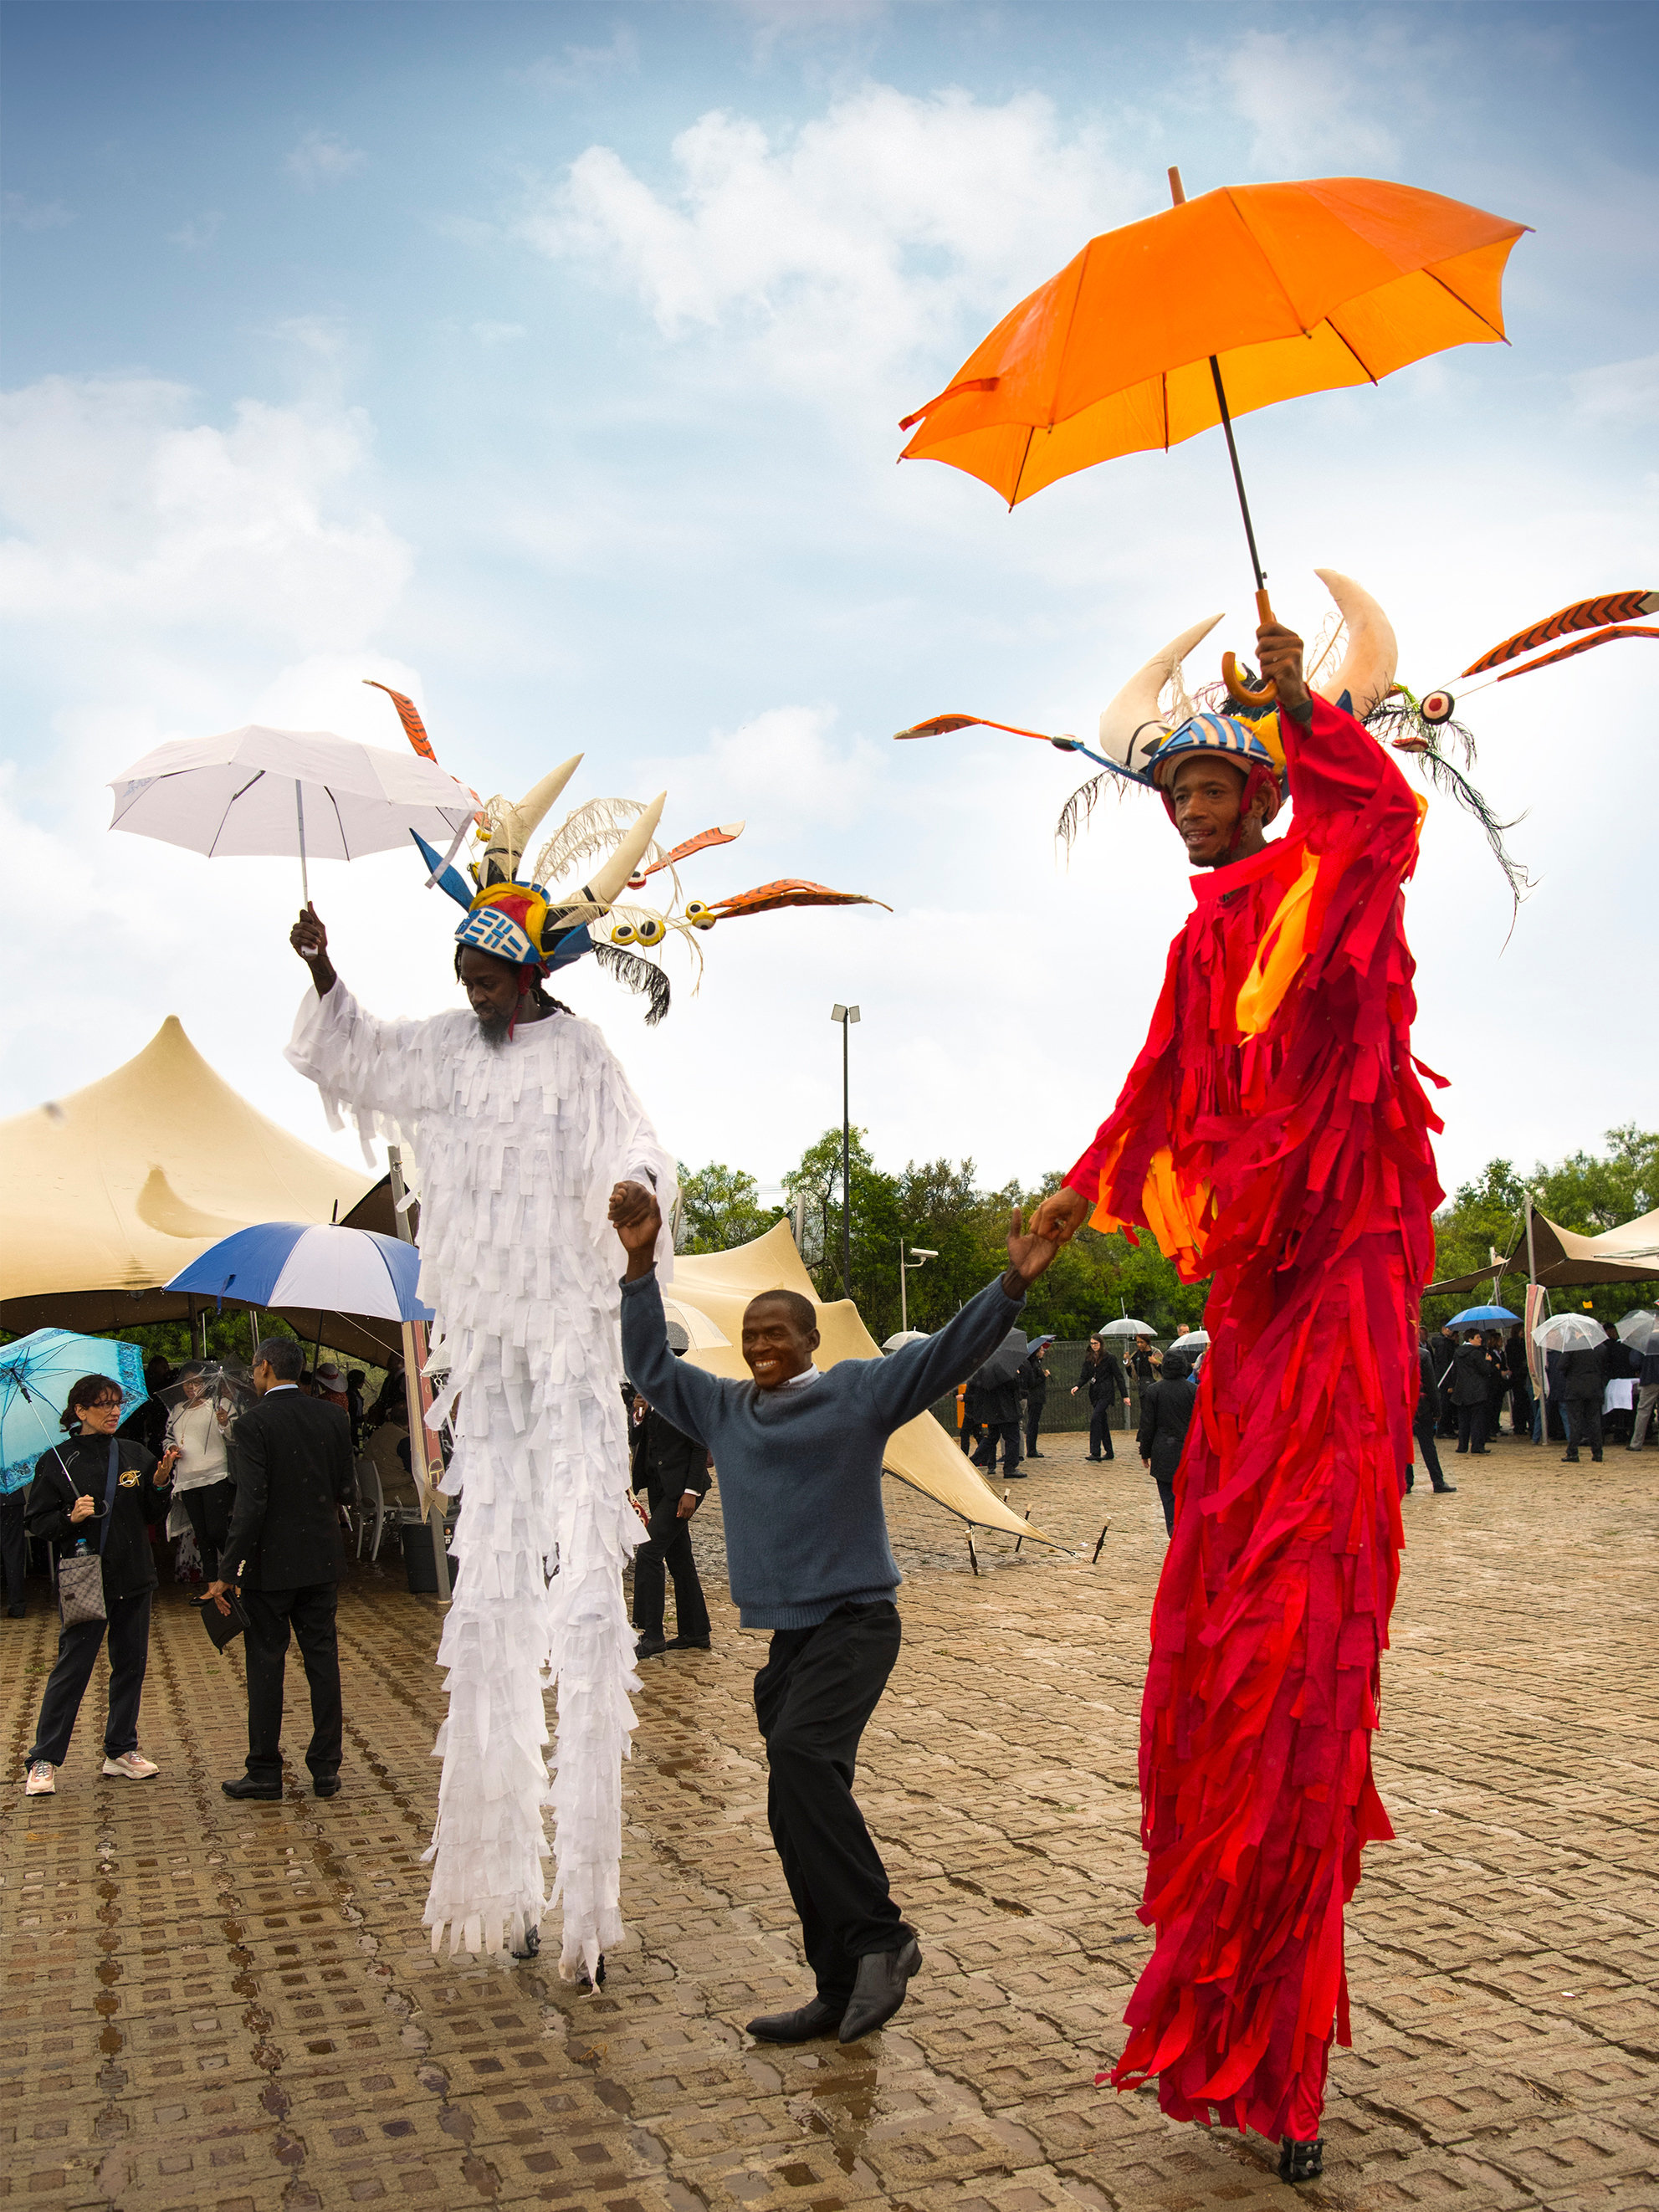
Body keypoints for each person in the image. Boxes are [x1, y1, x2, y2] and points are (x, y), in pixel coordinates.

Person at [1029, 611, 1444, 2180]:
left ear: (1268, 792)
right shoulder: (1200, 936)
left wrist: (1300, 706)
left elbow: (1385, 823)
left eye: (1217, 782)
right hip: (1249, 1303)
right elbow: (1154, 1089)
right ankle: (1235, 2010)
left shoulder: (1326, 873)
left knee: (1299, 1647)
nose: (1193, 806)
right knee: (1219, 1642)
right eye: (1176, 788)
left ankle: (1285, 2042)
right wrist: (1076, 1194)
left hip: (1337, 1271)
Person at [282, 778, 677, 1976]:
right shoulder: (447, 1047)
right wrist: (320, 972)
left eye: (488, 977)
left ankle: (588, 1911)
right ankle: (495, 1891)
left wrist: (636, 1202)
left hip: (563, 1339)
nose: (470, 992)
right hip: (482, 1351)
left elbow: (639, 1143)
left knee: (590, 1592)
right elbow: (359, 1058)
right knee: (491, 1599)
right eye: (462, 971)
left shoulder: (583, 1054)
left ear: (535, 977)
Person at [616, 1190, 1061, 2046]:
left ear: (812, 1339)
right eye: (750, 1339)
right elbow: (646, 1360)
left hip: (858, 1623)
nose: (761, 1348)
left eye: (776, 1334)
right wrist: (640, 1268)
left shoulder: (858, 1393)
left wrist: (1012, 1281)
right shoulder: (723, 1406)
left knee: (800, 1757)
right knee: (796, 1806)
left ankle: (884, 1939)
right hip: (790, 1639)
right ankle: (835, 1983)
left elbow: (944, 1355)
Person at [205, 1335, 356, 1800]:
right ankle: (326, 1767)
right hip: (321, 1558)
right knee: (323, 1660)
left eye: (253, 1368)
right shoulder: (334, 1416)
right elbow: (346, 1489)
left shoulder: (254, 1424)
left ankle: (265, 1770)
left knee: (267, 1665)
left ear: (266, 1368)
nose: (252, 1375)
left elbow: (251, 1502)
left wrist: (229, 1571)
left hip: (270, 1567)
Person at [23, 1374, 176, 1795]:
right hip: (85, 1578)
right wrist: (69, 1518)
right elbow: (38, 1522)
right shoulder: (58, 1460)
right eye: (105, 1404)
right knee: (72, 1668)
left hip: (134, 1575)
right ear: (80, 1411)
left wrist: (160, 1480)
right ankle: (42, 1759)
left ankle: (121, 1750)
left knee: (130, 1665)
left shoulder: (133, 1452)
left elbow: (150, 1512)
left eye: (118, 1404)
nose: (114, 1412)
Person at [630, 1318, 713, 1659]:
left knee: (649, 1552)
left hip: (683, 1490)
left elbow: (698, 1444)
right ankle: (695, 1632)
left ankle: (652, 1634)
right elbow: (640, 1440)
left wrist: (691, 1492)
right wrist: (638, 1416)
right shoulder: (649, 1388)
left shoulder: (686, 1389)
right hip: (659, 1486)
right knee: (680, 1558)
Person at [164, 1362, 236, 1591]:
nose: (191, 1387)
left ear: (207, 1383)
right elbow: (166, 1438)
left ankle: (238, 1575)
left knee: (217, 1529)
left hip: (216, 1474)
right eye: (187, 1382)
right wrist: (172, 1448)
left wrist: (225, 1422)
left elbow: (236, 1436)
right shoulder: (177, 1410)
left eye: (197, 1382)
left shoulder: (221, 1405)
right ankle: (212, 1584)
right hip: (187, 1479)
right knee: (202, 1534)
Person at [1136, 1350, 1196, 1537]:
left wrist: (1144, 1452)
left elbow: (1148, 1425)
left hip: (1163, 1453)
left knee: (1169, 1500)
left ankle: (1175, 1535)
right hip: (1189, 1453)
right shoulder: (1193, 1390)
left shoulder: (1154, 1390)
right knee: (1187, 1499)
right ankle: (1188, 1535)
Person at [1407, 1333, 1456, 1495]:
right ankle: (1437, 1480)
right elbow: (1431, 1386)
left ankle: (1406, 1482)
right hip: (1422, 1407)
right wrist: (1437, 1410)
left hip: (1403, 1407)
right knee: (1428, 1445)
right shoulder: (1423, 1355)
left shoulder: (1393, 1356)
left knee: (1405, 1446)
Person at [970, 1342, 1025, 1479]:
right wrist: (1017, 1373)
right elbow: (1013, 1384)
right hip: (1006, 1410)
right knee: (1012, 1438)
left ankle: (973, 1462)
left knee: (991, 1438)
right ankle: (1010, 1467)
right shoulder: (1005, 1364)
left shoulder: (984, 1364)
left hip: (992, 1410)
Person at [1072, 1336, 1125, 1462]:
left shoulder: (1109, 1358)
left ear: (1101, 1344)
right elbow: (1084, 1375)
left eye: (1096, 1343)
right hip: (1095, 1393)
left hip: (1106, 1393)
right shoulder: (1089, 1358)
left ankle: (1095, 1452)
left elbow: (1119, 1377)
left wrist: (1125, 1395)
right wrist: (1077, 1386)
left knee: (1095, 1418)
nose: (1093, 1346)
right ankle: (1109, 1451)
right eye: (1091, 1343)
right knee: (1102, 1422)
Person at [1558, 1333, 1607, 1465]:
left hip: (1576, 1388)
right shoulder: (1600, 1347)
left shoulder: (1572, 1347)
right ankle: (1597, 1452)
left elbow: (1561, 1366)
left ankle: (1573, 1451)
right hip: (1594, 1387)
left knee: (1575, 1421)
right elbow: (1605, 1366)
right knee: (1594, 1421)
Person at [1450, 1330, 1498, 1455]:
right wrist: (1488, 1361)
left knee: (1463, 1420)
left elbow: (1454, 1371)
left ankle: (1462, 1445)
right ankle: (1477, 1446)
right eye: (1477, 1337)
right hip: (1476, 1391)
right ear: (1470, 1340)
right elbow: (1485, 1370)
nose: (1480, 1340)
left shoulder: (1458, 1353)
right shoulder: (1476, 1354)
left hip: (1461, 1391)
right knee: (1477, 1420)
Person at [1019, 1337, 1053, 1458]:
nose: (1043, 1351)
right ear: (1037, 1352)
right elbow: (1032, 1382)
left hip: (1038, 1396)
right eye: (1042, 1350)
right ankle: (1031, 1449)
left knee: (1035, 1422)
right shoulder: (1032, 1364)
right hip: (1034, 1397)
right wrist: (1044, 1376)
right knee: (1033, 1423)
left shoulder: (1037, 1363)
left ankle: (1033, 1448)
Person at [1629, 1329, 1659, 1451]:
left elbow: (1635, 1361)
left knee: (1643, 1411)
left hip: (1649, 1377)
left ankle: (1636, 1443)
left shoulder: (1645, 1339)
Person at [1503, 1329, 1534, 1444]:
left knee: (1525, 1402)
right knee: (1520, 1401)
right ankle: (1519, 1425)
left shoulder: (1522, 1343)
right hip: (1518, 1377)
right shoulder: (1513, 1345)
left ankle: (1524, 1424)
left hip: (1522, 1375)